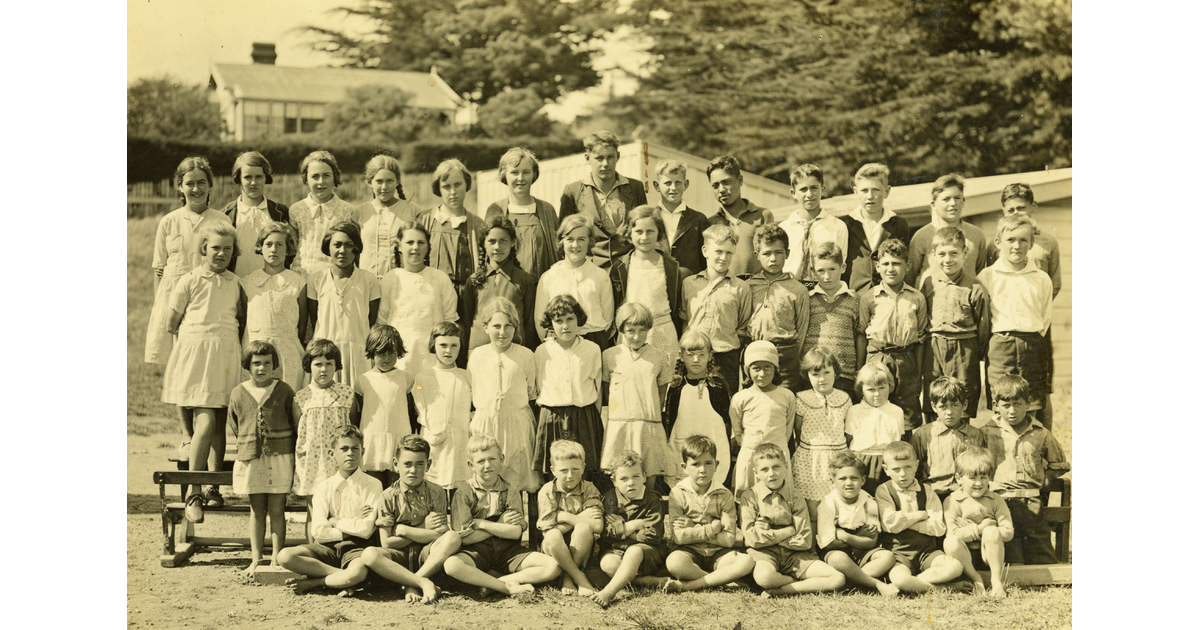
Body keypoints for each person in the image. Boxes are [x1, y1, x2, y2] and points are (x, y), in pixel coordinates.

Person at [161, 222, 245, 520]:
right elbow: (172, 322)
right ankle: (194, 492)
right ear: (203, 250)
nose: (221, 254)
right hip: (197, 352)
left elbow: (240, 320)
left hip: (226, 353)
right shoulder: (190, 280)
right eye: (215, 248)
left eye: (227, 249)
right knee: (206, 421)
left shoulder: (236, 283)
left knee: (219, 424)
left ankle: (213, 488)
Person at [443, 434, 562, 596]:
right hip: (477, 552)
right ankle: (505, 586)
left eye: (492, 459)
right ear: (470, 465)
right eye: (480, 461)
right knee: (452, 564)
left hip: (507, 550)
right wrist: (500, 522)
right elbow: (465, 538)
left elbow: (515, 532)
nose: (487, 465)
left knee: (553, 565)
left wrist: (482, 524)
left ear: (501, 459)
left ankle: (497, 582)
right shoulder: (464, 492)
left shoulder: (510, 489)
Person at [146, 156, 232, 366]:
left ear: (210, 186)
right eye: (189, 183)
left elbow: (226, 264)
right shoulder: (169, 221)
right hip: (173, 298)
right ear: (179, 187)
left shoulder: (221, 220)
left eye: (201, 182)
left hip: (207, 299)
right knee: (177, 364)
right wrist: (163, 307)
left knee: (202, 362)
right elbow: (159, 268)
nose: (196, 189)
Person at [280, 425, 381, 595]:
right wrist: (351, 527)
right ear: (332, 453)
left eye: (355, 448)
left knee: (358, 572)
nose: (350, 453)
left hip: (357, 548)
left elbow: (365, 531)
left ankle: (316, 582)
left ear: (362, 451)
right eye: (344, 448)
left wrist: (335, 522)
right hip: (328, 548)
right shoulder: (324, 487)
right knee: (285, 556)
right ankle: (343, 579)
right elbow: (318, 532)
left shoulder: (373, 485)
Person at [361, 434, 462, 604]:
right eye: (407, 464)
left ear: (428, 465)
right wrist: (424, 527)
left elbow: (439, 535)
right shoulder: (387, 496)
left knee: (453, 537)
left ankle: (411, 584)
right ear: (395, 464)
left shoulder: (437, 492)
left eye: (419, 464)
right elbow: (386, 543)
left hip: (428, 556)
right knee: (369, 554)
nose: (413, 470)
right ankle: (422, 582)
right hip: (397, 558)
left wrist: (404, 530)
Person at [982, 375, 1070, 566]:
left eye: (1018, 404)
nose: (1012, 411)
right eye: (1006, 405)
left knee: (1039, 547)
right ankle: (1014, 572)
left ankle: (1043, 574)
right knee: (1009, 547)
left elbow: (1059, 465)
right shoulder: (987, 432)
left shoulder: (1040, 433)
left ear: (1028, 403)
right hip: (1000, 500)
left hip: (1031, 500)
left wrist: (1045, 481)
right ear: (996, 405)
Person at [977, 214, 1054, 427]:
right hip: (1000, 347)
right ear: (998, 242)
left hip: (1032, 346)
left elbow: (1045, 317)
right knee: (1003, 405)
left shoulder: (1041, 278)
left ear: (1031, 244)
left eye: (1023, 240)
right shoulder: (987, 276)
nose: (1017, 246)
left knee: (1031, 403)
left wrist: (1030, 338)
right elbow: (982, 318)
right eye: (1011, 240)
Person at [740, 443, 845, 597]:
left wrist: (769, 534)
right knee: (765, 578)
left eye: (776, 467)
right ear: (756, 472)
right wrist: (790, 530)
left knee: (838, 578)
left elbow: (804, 540)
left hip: (795, 555)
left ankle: (783, 589)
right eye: (765, 469)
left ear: (786, 467)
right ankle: (795, 582)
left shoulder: (795, 497)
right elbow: (752, 540)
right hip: (765, 555)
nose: (772, 474)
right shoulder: (750, 497)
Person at [228, 340, 296, 576]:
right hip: (252, 460)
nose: (261, 368)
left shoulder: (285, 390)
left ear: (274, 365)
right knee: (257, 511)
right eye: (256, 363)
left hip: (279, 458)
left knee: (277, 510)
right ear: (248, 365)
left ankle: (277, 559)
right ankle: (256, 559)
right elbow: (235, 424)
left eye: (267, 363)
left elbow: (293, 421)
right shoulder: (238, 392)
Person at [465, 297, 542, 493]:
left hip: (516, 425)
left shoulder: (525, 355)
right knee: (487, 478)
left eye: (508, 326)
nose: (502, 332)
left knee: (518, 478)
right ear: (485, 327)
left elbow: (531, 391)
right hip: (486, 425)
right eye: (496, 326)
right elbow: (473, 387)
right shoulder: (477, 356)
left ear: (515, 328)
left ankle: (523, 520)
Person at [918, 226, 990, 422]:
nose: (947, 259)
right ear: (934, 254)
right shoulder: (928, 283)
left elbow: (983, 327)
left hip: (964, 348)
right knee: (934, 398)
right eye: (941, 254)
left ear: (964, 253)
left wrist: (975, 353)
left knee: (961, 399)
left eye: (953, 253)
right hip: (935, 347)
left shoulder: (975, 287)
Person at [665, 435, 756, 591]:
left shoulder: (724, 494)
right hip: (689, 553)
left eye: (708, 463)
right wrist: (712, 529)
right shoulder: (677, 493)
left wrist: (693, 527)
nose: (703, 470)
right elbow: (678, 537)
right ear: (684, 467)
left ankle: (693, 584)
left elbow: (728, 539)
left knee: (746, 561)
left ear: (716, 465)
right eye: (695, 464)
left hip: (718, 554)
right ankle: (721, 580)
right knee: (674, 562)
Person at [856, 238, 927, 432]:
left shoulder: (916, 297)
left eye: (896, 264)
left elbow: (921, 339)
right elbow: (862, 335)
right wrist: (861, 368)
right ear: (877, 266)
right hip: (876, 359)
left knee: (907, 418)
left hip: (906, 360)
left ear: (908, 266)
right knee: (876, 412)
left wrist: (918, 373)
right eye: (885, 264)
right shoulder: (869, 298)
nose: (891, 269)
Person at [875, 441, 964, 593]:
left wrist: (905, 521)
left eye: (908, 467)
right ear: (886, 470)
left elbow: (938, 528)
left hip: (927, 552)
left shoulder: (927, 490)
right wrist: (920, 515)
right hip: (899, 555)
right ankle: (942, 588)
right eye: (896, 469)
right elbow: (890, 524)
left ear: (916, 465)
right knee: (900, 578)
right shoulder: (884, 490)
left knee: (955, 566)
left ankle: (913, 584)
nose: (903, 474)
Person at [292, 340, 361, 533]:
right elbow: (298, 431)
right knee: (315, 511)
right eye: (318, 364)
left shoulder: (346, 393)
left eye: (329, 364)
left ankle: (338, 552)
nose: (323, 369)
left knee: (341, 508)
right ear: (309, 366)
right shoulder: (301, 397)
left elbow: (353, 425)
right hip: (311, 463)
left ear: (336, 366)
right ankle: (313, 553)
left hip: (338, 462)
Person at [600, 302, 674, 482]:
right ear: (621, 329)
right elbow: (606, 392)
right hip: (620, 423)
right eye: (631, 330)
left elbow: (661, 392)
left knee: (648, 474)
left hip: (648, 422)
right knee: (619, 474)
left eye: (642, 330)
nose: (636, 336)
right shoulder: (610, 355)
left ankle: (649, 508)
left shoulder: (658, 356)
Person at [534, 296, 604, 484]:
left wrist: (593, 417)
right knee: (554, 469)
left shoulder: (592, 349)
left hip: (584, 415)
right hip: (552, 416)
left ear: (578, 320)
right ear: (550, 323)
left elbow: (597, 386)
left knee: (585, 466)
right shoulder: (542, 351)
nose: (565, 326)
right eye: (559, 321)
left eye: (570, 319)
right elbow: (539, 384)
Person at [591, 451, 673, 608]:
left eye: (636, 477)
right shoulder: (610, 499)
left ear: (644, 476)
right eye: (624, 478)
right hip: (617, 551)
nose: (631, 483)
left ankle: (609, 592)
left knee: (634, 552)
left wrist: (621, 530)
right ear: (614, 481)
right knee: (608, 563)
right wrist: (633, 525)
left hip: (647, 553)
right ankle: (646, 582)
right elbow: (606, 534)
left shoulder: (652, 499)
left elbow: (653, 535)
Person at [609, 205, 689, 368]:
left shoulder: (671, 267)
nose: (644, 237)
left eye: (650, 231)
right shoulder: (621, 267)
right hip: (631, 333)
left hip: (662, 332)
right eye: (639, 231)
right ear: (630, 233)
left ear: (659, 233)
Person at [306, 221, 381, 390]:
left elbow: (371, 319)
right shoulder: (316, 279)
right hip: (324, 354)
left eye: (349, 245)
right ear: (328, 247)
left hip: (357, 351)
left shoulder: (368, 280)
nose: (342, 251)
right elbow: (315, 317)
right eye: (337, 245)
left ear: (356, 248)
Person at [378, 221, 458, 378]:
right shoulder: (391, 279)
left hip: (433, 360)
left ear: (428, 246)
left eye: (421, 242)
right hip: (400, 360)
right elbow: (382, 324)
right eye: (410, 242)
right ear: (399, 246)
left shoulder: (440, 278)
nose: (415, 247)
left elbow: (450, 324)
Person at [558, 131, 647, 269]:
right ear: (587, 158)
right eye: (599, 158)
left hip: (629, 269)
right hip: (589, 270)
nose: (605, 164)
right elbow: (563, 238)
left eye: (610, 157)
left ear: (618, 156)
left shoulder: (635, 187)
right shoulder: (573, 191)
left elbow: (644, 229)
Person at [815, 452, 898, 597]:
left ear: (863, 480)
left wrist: (845, 536)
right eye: (842, 478)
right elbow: (828, 544)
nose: (849, 483)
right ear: (832, 481)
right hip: (837, 555)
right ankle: (876, 583)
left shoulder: (869, 502)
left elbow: (871, 542)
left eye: (854, 478)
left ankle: (850, 582)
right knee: (837, 559)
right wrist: (859, 537)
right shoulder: (828, 504)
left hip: (862, 555)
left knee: (888, 556)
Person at [681, 224, 753, 391]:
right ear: (705, 251)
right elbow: (685, 321)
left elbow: (742, 328)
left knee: (725, 408)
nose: (723, 257)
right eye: (718, 251)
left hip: (726, 358)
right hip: (694, 356)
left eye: (729, 253)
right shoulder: (689, 284)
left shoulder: (741, 288)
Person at [241, 222, 307, 391]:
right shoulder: (248, 282)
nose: (273, 250)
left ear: (288, 249)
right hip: (256, 350)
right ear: (260, 247)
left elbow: (302, 326)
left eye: (279, 245)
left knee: (286, 398)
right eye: (268, 244)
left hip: (287, 353)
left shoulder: (297, 283)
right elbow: (242, 320)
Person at [745, 223, 810, 392]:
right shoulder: (748, 286)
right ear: (757, 255)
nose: (773, 258)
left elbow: (802, 331)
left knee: (786, 398)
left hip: (785, 355)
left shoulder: (798, 289)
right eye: (767, 253)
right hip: (755, 352)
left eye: (778, 252)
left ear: (787, 253)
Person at [534, 215, 615, 350]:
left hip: (594, 341)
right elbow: (540, 320)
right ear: (561, 241)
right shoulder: (549, 277)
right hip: (559, 342)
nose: (575, 245)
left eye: (581, 239)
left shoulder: (601, 276)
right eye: (570, 239)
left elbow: (608, 318)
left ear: (590, 242)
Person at [664, 330, 732, 488]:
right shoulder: (676, 388)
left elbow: (727, 421)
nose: (696, 360)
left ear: (710, 356)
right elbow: (670, 422)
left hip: (713, 442)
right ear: (682, 356)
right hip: (683, 444)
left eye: (701, 355)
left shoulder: (718, 386)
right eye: (690, 355)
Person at [461, 215, 539, 354]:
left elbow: (529, 326)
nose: (497, 247)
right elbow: (467, 324)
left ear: (513, 242)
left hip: (514, 352)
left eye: (503, 241)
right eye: (492, 241)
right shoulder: (473, 281)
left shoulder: (524, 280)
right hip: (478, 352)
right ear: (483, 244)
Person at [942, 447, 1014, 597]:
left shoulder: (996, 499)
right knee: (950, 542)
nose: (978, 483)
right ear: (958, 478)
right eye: (972, 478)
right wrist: (981, 528)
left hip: (990, 555)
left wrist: (988, 531)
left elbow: (1008, 531)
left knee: (992, 531)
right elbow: (953, 533)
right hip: (963, 558)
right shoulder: (952, 501)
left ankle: (996, 581)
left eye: (983, 477)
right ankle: (976, 579)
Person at [536, 440, 604, 595]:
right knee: (554, 534)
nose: (570, 475)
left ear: (583, 468)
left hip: (582, 547)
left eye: (575, 469)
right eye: (564, 470)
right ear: (553, 470)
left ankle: (568, 576)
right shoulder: (547, 491)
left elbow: (598, 526)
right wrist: (578, 517)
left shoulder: (589, 489)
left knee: (583, 528)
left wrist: (561, 516)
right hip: (553, 548)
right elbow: (548, 531)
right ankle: (580, 578)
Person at [792, 347, 853, 520]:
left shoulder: (844, 398)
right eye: (815, 374)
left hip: (837, 458)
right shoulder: (802, 399)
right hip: (810, 460)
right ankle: (812, 546)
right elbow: (798, 430)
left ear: (835, 371)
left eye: (827, 372)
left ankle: (833, 543)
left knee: (836, 508)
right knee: (812, 510)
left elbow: (848, 431)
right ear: (807, 375)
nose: (822, 379)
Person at [729, 341, 796, 496]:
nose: (762, 373)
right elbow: (737, 430)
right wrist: (749, 444)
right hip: (750, 454)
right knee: (748, 499)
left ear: (775, 369)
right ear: (747, 370)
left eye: (768, 367)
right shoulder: (741, 398)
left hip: (778, 454)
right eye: (756, 368)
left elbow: (788, 428)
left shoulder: (787, 396)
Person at [412, 321, 472, 490]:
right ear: (433, 345)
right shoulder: (423, 377)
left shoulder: (465, 376)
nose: (448, 351)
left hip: (460, 441)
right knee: (434, 486)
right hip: (435, 440)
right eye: (443, 345)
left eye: (454, 345)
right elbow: (421, 412)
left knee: (459, 487)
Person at [484, 147, 561, 278]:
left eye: (526, 172)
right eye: (514, 172)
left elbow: (557, 253)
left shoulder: (547, 210)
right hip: (508, 287)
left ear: (534, 174)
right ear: (504, 175)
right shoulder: (496, 209)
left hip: (541, 288)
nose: (520, 178)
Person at [908, 376, 987, 501]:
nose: (949, 412)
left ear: (964, 405)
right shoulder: (923, 435)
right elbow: (912, 469)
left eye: (955, 405)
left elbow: (983, 468)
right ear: (934, 407)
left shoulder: (975, 435)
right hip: (933, 494)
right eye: (943, 406)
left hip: (967, 494)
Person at [355, 325, 413, 487]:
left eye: (392, 353)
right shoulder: (363, 381)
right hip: (372, 442)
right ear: (372, 352)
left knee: (396, 489)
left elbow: (411, 412)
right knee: (374, 488)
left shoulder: (406, 379)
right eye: (381, 353)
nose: (386, 358)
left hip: (398, 438)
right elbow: (358, 414)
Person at [801, 243, 863, 395]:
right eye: (821, 271)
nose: (827, 276)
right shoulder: (806, 300)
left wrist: (859, 368)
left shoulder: (855, 300)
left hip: (844, 374)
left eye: (832, 269)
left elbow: (859, 335)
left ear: (842, 267)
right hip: (813, 374)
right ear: (812, 271)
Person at [906, 174, 988, 286]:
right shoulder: (922, 236)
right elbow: (910, 275)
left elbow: (980, 272)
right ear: (934, 204)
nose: (953, 203)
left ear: (963, 201)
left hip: (967, 299)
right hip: (932, 299)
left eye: (957, 198)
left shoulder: (976, 235)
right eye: (946, 199)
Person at [290, 150, 361, 278]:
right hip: (302, 277)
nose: (321, 181)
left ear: (335, 177)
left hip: (335, 278)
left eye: (326, 175)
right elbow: (290, 249)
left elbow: (354, 252)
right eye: (315, 176)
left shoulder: (348, 210)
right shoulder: (296, 210)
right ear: (306, 179)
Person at [985, 183, 1062, 298]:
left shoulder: (1049, 242)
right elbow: (990, 279)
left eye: (1021, 208)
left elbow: (1054, 284)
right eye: (1011, 210)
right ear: (1004, 211)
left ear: (1033, 206)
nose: (1016, 213)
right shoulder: (996, 244)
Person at [418, 158, 485, 291]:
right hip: (432, 292)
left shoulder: (477, 225)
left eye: (457, 184)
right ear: (439, 189)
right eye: (446, 186)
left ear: (466, 185)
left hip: (466, 297)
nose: (453, 192)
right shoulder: (425, 220)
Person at [841, 163, 909, 292]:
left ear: (887, 191)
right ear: (856, 191)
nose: (870, 196)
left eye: (876, 190)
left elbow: (904, 263)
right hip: (854, 297)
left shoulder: (899, 224)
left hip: (889, 296)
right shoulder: (845, 224)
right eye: (864, 190)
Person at [777, 164, 847, 288]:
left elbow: (840, 266)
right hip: (789, 290)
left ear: (823, 189)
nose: (809, 194)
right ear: (793, 193)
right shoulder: (784, 228)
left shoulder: (837, 227)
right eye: (803, 189)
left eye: (814, 188)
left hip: (823, 292)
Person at [705, 155, 775, 277]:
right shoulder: (710, 223)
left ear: (740, 180)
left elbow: (772, 256)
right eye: (715, 185)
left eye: (726, 182)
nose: (721, 189)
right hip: (724, 289)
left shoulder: (762, 215)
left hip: (757, 287)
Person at [223, 151, 291, 276]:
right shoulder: (226, 214)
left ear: (266, 178)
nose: (253, 183)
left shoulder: (280, 212)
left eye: (258, 177)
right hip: (237, 285)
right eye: (247, 177)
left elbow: (290, 251)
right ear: (238, 178)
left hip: (272, 285)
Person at [358, 153, 420, 280]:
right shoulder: (359, 212)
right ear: (369, 182)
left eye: (390, 181)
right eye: (379, 181)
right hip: (368, 284)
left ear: (397, 181)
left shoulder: (413, 210)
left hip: (403, 283)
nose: (384, 187)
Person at [845, 363, 903, 496]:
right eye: (871, 389)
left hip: (888, 461)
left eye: (882, 388)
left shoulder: (897, 411)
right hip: (861, 460)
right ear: (861, 389)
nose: (877, 394)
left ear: (889, 387)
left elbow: (897, 441)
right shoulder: (854, 411)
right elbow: (849, 440)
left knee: (887, 496)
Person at [652, 159, 710, 272]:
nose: (673, 188)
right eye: (667, 183)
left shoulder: (698, 219)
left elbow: (705, 261)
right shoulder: (649, 218)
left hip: (689, 286)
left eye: (678, 182)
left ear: (686, 184)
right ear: (657, 186)